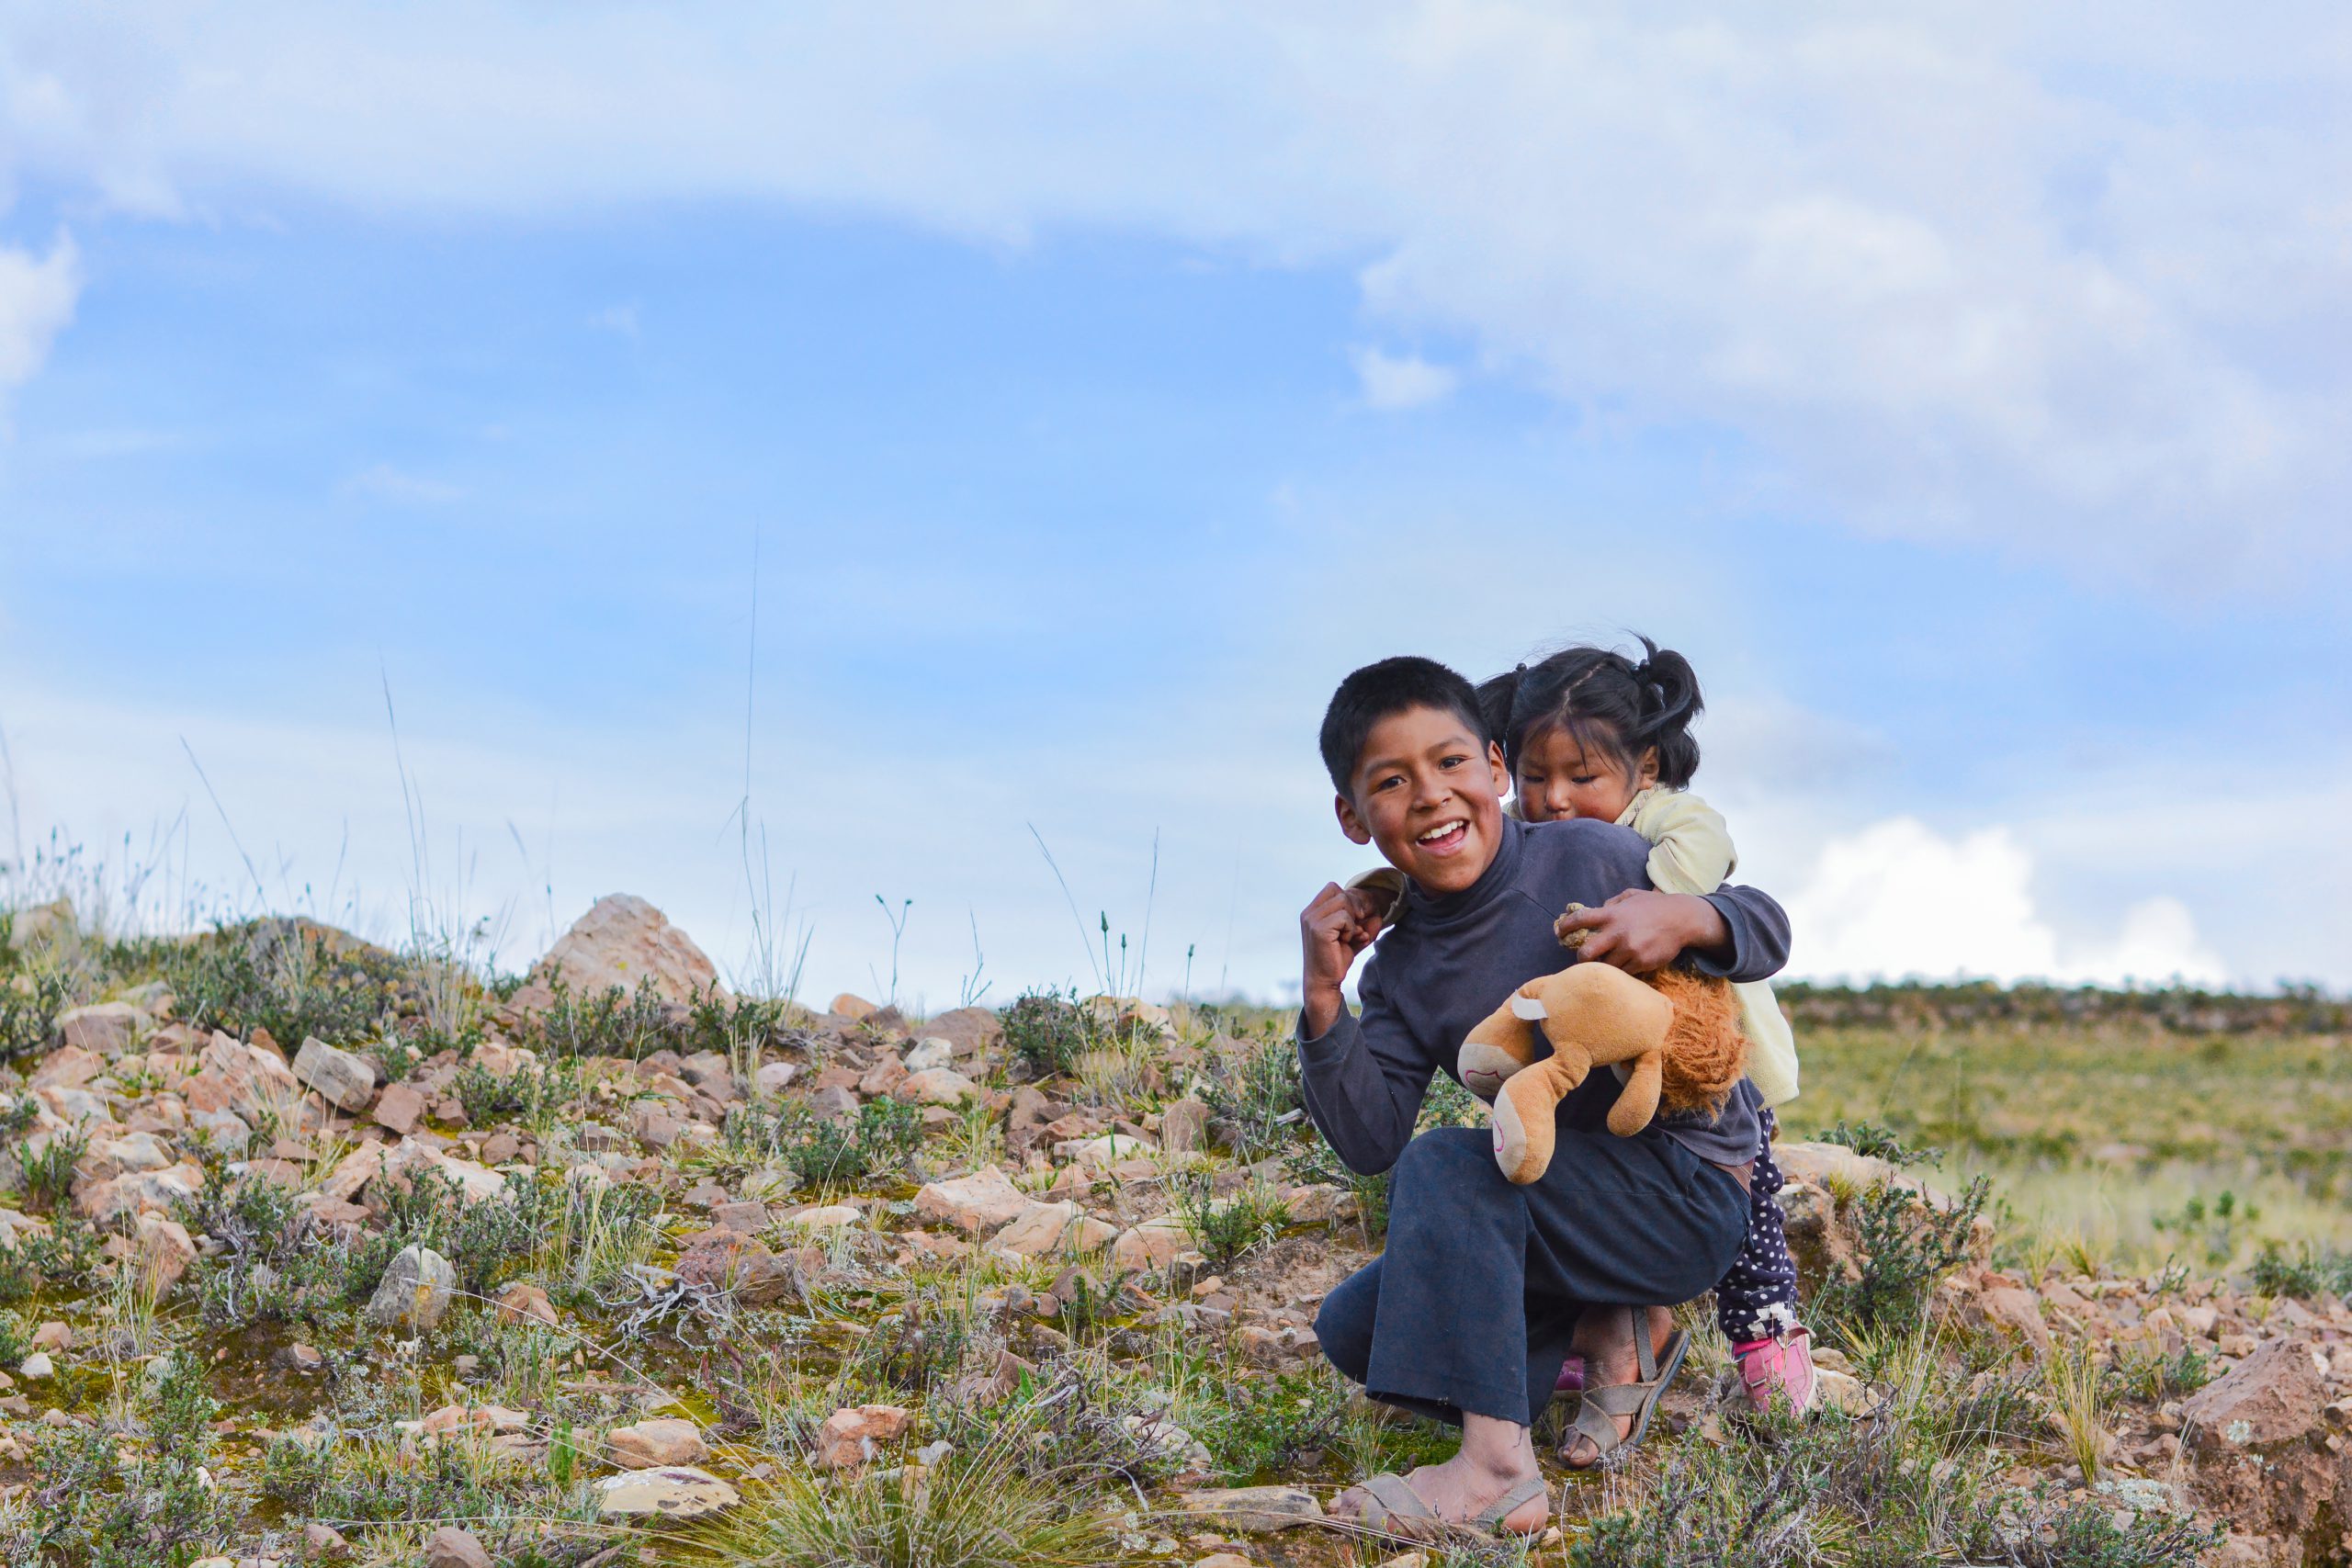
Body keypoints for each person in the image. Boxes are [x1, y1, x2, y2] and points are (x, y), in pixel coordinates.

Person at [1296, 655, 1791, 1535]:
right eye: (1392, 780)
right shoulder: (1404, 965)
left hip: (1683, 1193)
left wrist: (1682, 918)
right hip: (1570, 1211)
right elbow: (1370, 1139)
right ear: (1352, 815)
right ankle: (1611, 1337)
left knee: (1451, 1162)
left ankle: (1494, 1472)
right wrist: (1326, 998)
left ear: (1494, 766)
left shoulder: (1590, 851)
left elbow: (1766, 925)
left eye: (1451, 764)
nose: (1431, 795)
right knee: (1354, 1328)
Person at [1476, 637, 1816, 1414]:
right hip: (1604, 1065)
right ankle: (1623, 1329)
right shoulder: (1524, 836)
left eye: (1581, 776)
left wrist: (1654, 899)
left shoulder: (1663, 817)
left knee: (1753, 1226)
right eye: (1535, 777)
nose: (1555, 798)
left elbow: (1710, 845)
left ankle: (1770, 1355)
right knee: (1591, 1186)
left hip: (1709, 1076)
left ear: (1647, 768)